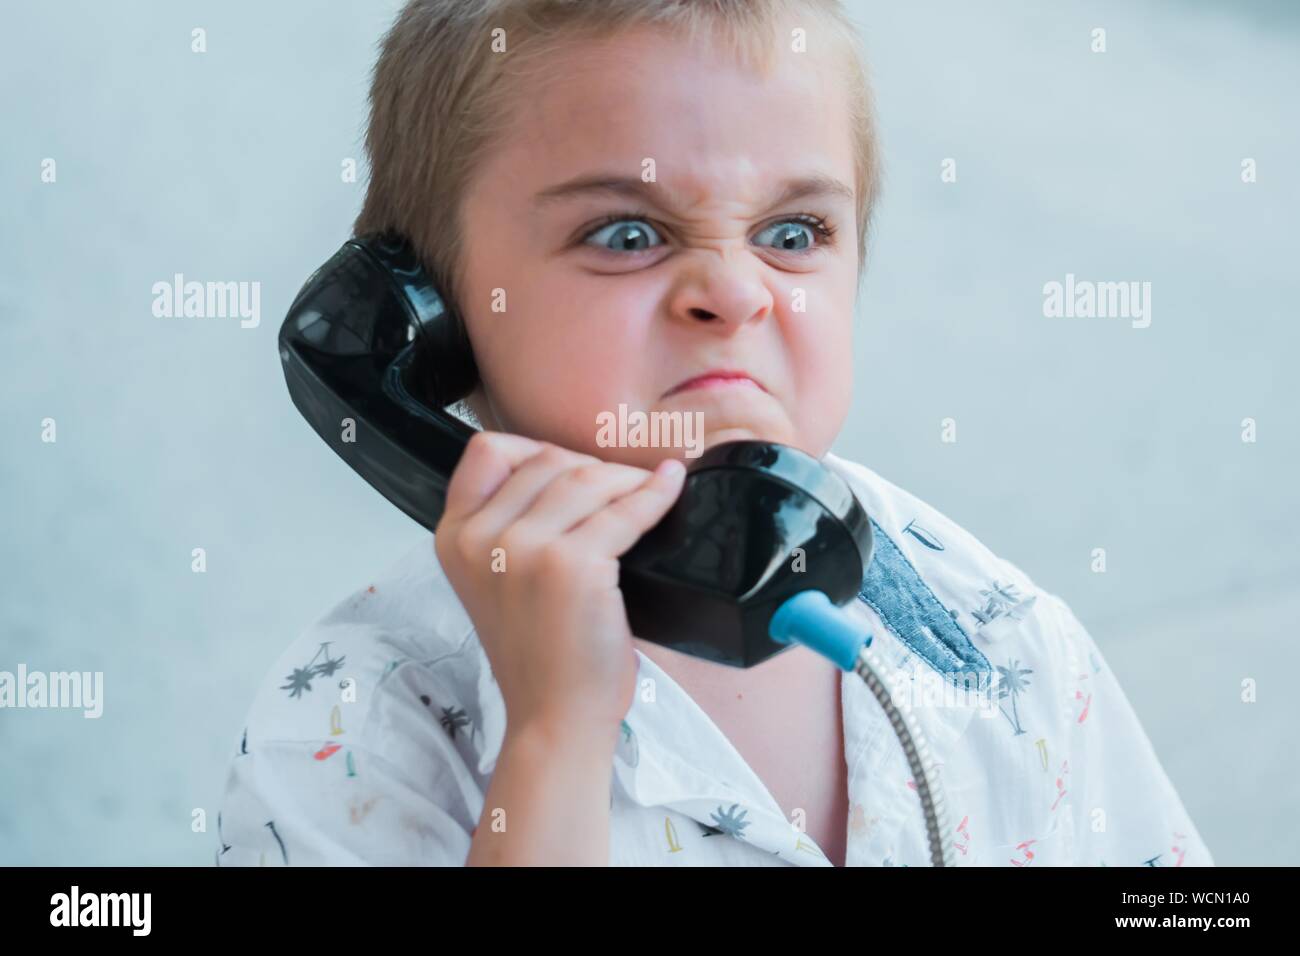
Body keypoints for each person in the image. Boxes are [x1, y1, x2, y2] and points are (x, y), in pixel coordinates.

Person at [216, 0, 1213, 867]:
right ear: (431, 322)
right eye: (626, 233)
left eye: (792, 234)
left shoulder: (996, 639)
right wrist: (552, 740)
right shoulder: (360, 723)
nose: (735, 292)